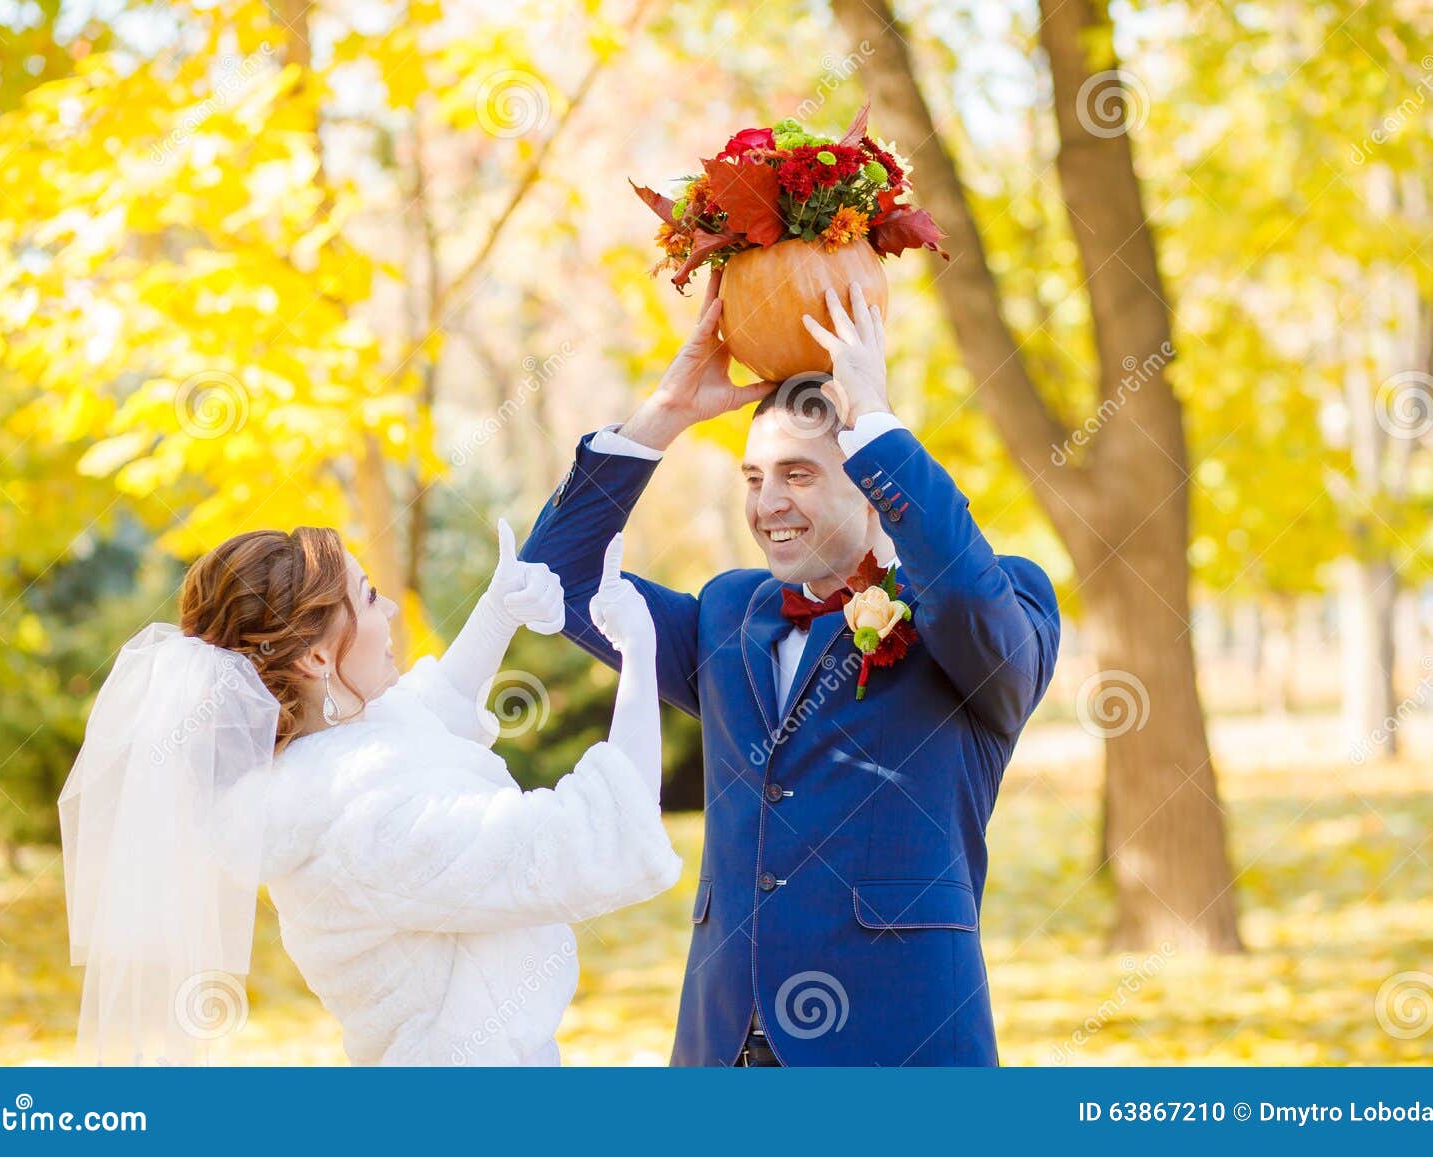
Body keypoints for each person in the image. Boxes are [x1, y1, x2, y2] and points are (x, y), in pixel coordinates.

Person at [521, 273, 1061, 1065]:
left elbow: (967, 598)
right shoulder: (727, 613)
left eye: (798, 474)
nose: (767, 503)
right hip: (723, 1052)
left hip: (897, 1054)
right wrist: (661, 417)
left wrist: (874, 421)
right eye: (754, 477)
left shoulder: (993, 608)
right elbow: (551, 580)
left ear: (873, 488)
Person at [59, 521, 679, 1065]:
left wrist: (497, 612)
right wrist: (639, 650)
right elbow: (591, 839)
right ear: (316, 659)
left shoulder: (324, 765)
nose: (393, 613)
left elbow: (424, 719)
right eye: (370, 597)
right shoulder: (363, 823)